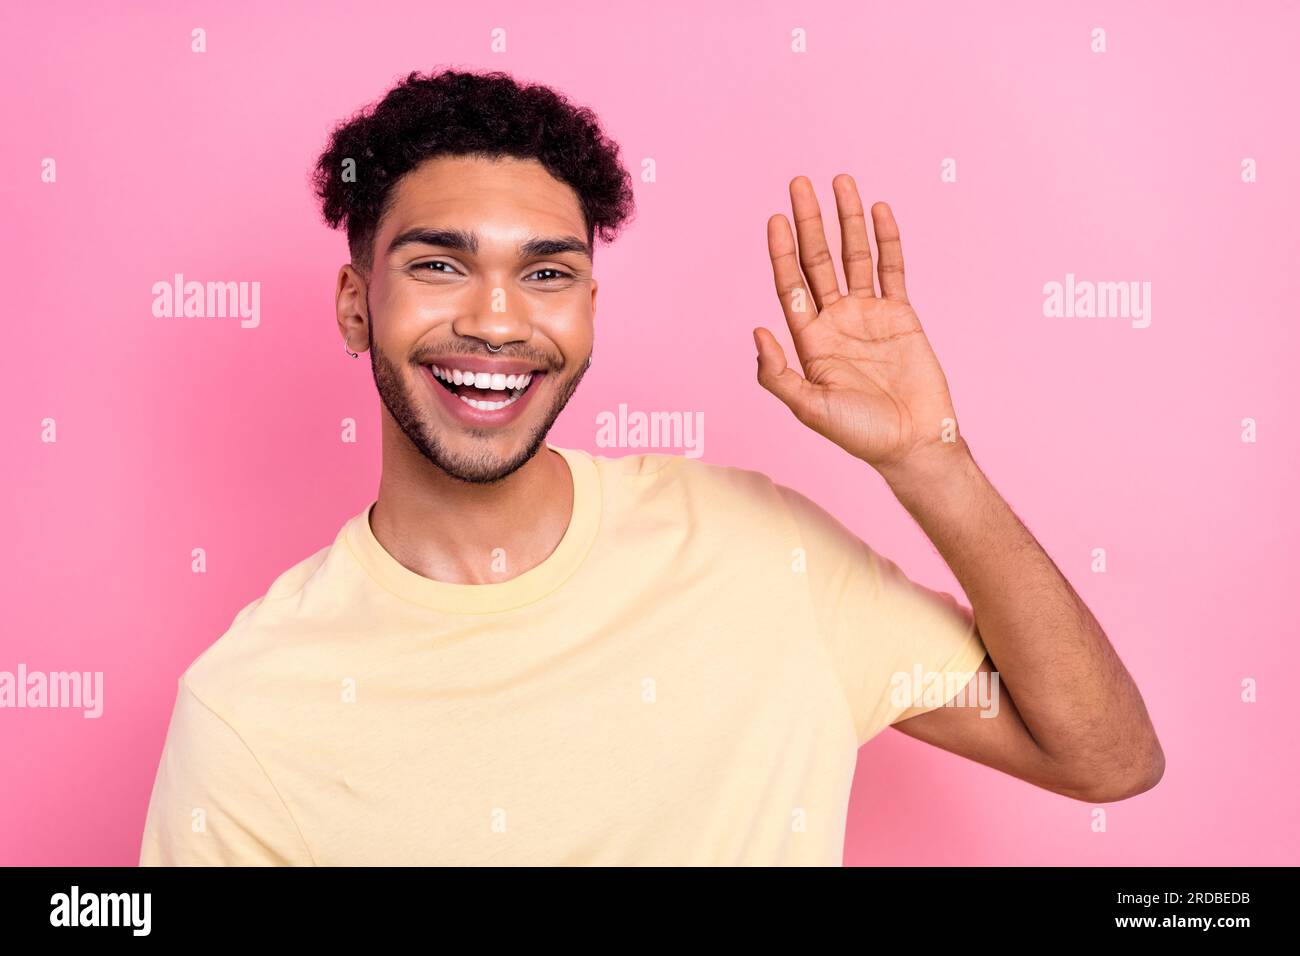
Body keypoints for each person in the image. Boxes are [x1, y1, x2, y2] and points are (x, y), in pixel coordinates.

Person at [139, 68, 1163, 866]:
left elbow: (1107, 756)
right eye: (439, 264)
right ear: (357, 305)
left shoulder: (761, 554)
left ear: (587, 308)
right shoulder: (252, 709)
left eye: (546, 272)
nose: (496, 320)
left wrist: (928, 460)